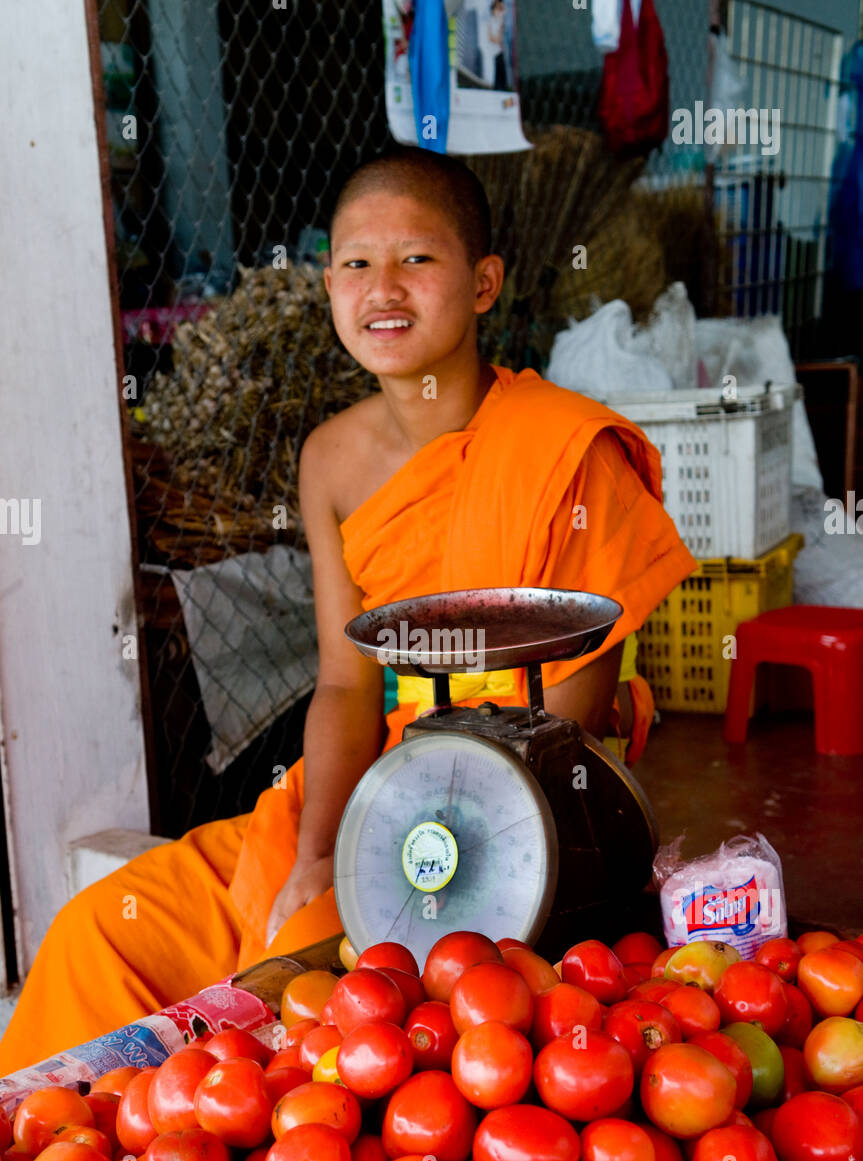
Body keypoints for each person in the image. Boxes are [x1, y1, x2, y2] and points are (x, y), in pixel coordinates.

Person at [0, 148, 695, 1074]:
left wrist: (414, 851)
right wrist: (321, 850)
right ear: (327, 285)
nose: (383, 288)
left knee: (287, 994)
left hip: (512, 812)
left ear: (484, 283)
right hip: (368, 787)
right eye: (356, 263)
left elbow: (561, 728)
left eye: (418, 258)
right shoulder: (331, 459)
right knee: (101, 931)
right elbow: (342, 681)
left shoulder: (563, 453)